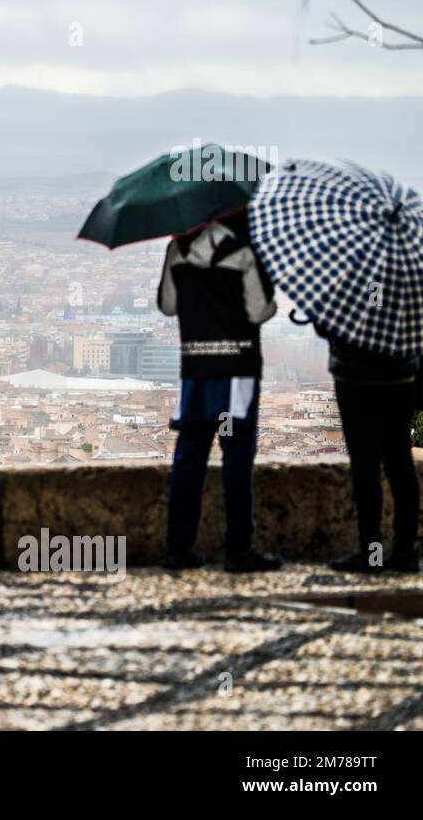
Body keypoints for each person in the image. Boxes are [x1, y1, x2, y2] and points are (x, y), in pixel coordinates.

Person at [157, 210, 282, 573]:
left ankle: (178, 548)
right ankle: (238, 549)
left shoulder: (176, 251)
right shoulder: (244, 251)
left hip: (195, 373)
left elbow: (168, 306)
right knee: (235, 457)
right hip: (234, 376)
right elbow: (260, 311)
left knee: (190, 455)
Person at [319, 325, 421, 573]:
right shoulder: (407, 285)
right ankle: (405, 553)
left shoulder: (351, 285)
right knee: (400, 464)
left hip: (356, 377)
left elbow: (326, 323)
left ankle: (371, 555)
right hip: (400, 375)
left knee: (365, 466)